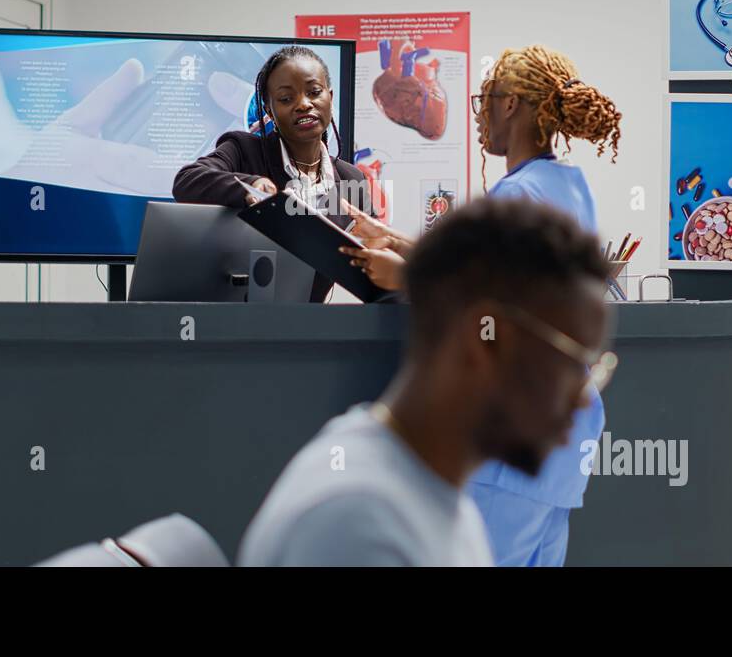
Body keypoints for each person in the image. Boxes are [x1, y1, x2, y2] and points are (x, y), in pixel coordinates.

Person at [339, 44, 622, 566]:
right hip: (558, 446)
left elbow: (497, 312)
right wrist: (395, 238)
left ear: (510, 105)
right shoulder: (564, 185)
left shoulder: (517, 196)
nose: (478, 114)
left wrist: (401, 273)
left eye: (485, 99)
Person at [238, 197, 615, 566]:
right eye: (570, 363)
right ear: (483, 340)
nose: (584, 401)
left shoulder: (439, 502)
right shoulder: (359, 526)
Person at [172, 45, 370, 302]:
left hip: (309, 327)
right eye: (286, 99)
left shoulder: (351, 179)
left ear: (329, 98)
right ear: (269, 110)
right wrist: (252, 184)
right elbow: (186, 181)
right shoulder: (244, 150)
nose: (304, 104)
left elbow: (368, 266)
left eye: (314, 92)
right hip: (237, 322)